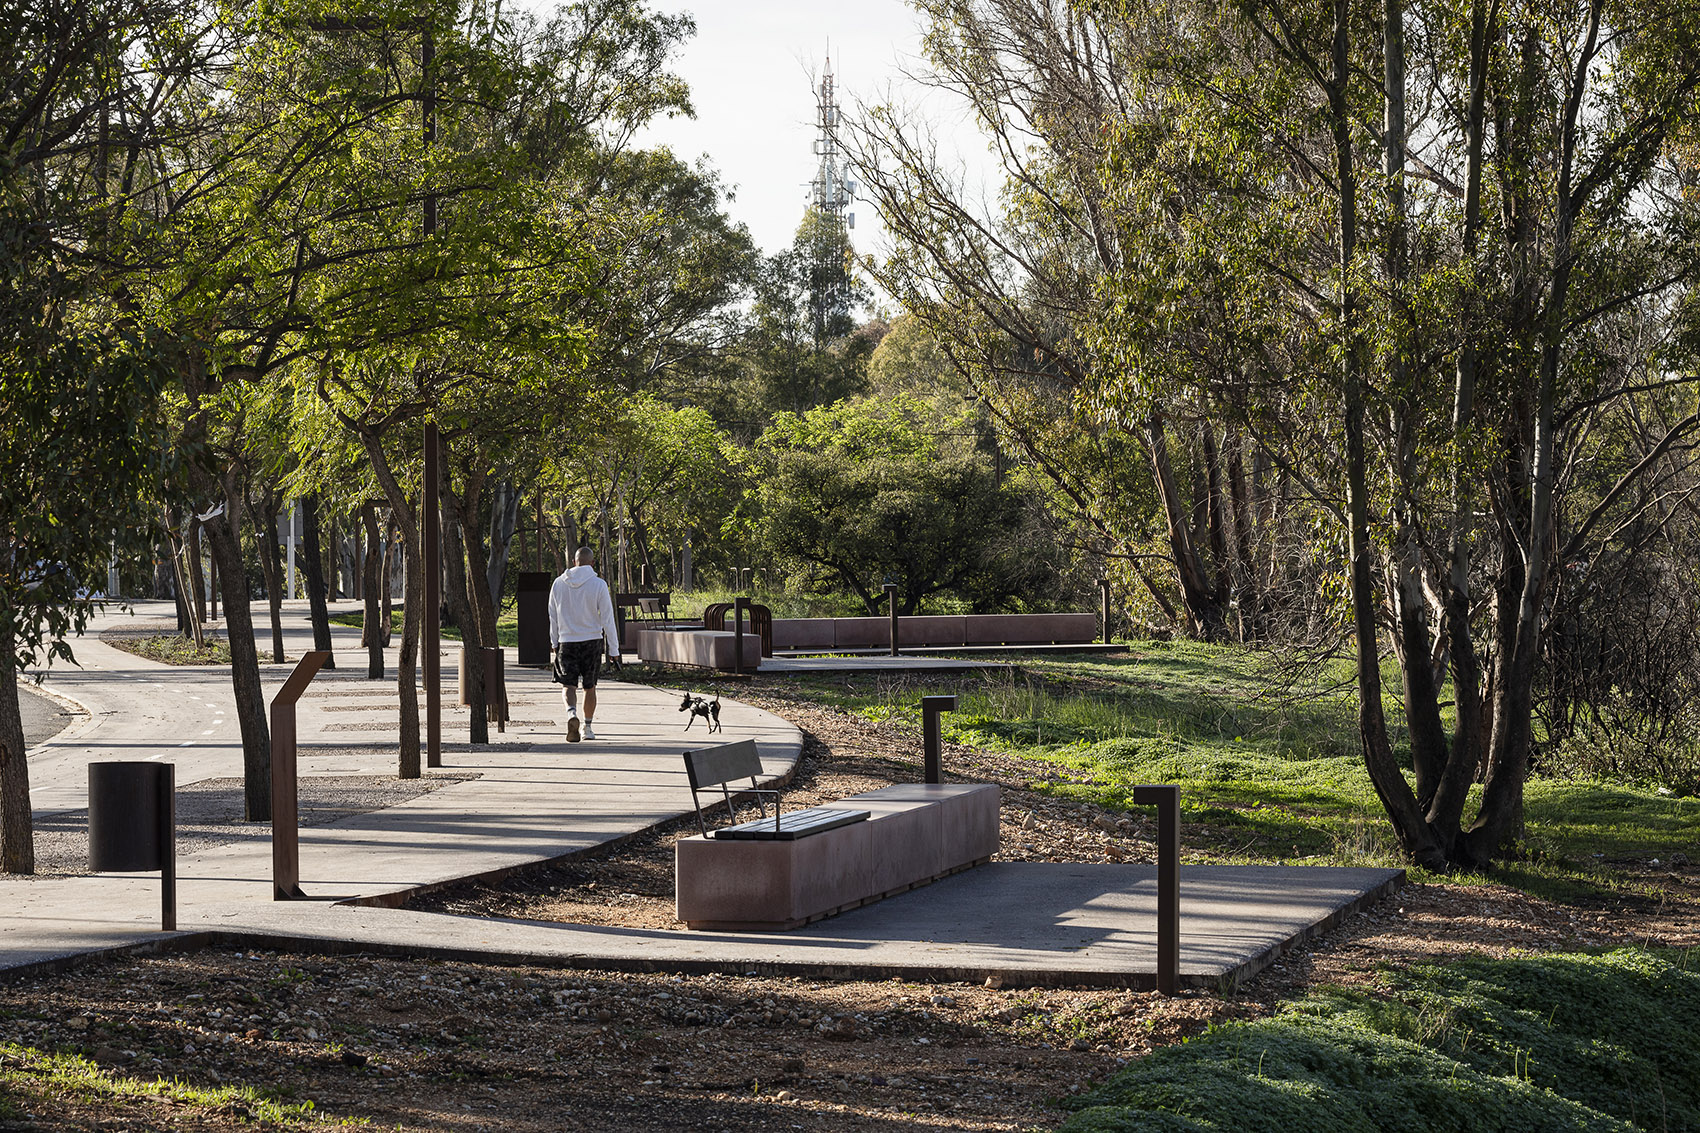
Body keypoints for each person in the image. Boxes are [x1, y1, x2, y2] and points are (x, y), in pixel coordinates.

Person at [547, 546, 622, 742]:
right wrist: (614, 649)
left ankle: (572, 714)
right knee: (590, 687)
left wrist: (554, 641)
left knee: (568, 685)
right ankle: (587, 728)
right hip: (592, 641)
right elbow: (608, 619)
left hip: (566, 641)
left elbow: (552, 616)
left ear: (574, 562)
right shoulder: (599, 584)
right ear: (593, 563)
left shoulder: (558, 584)